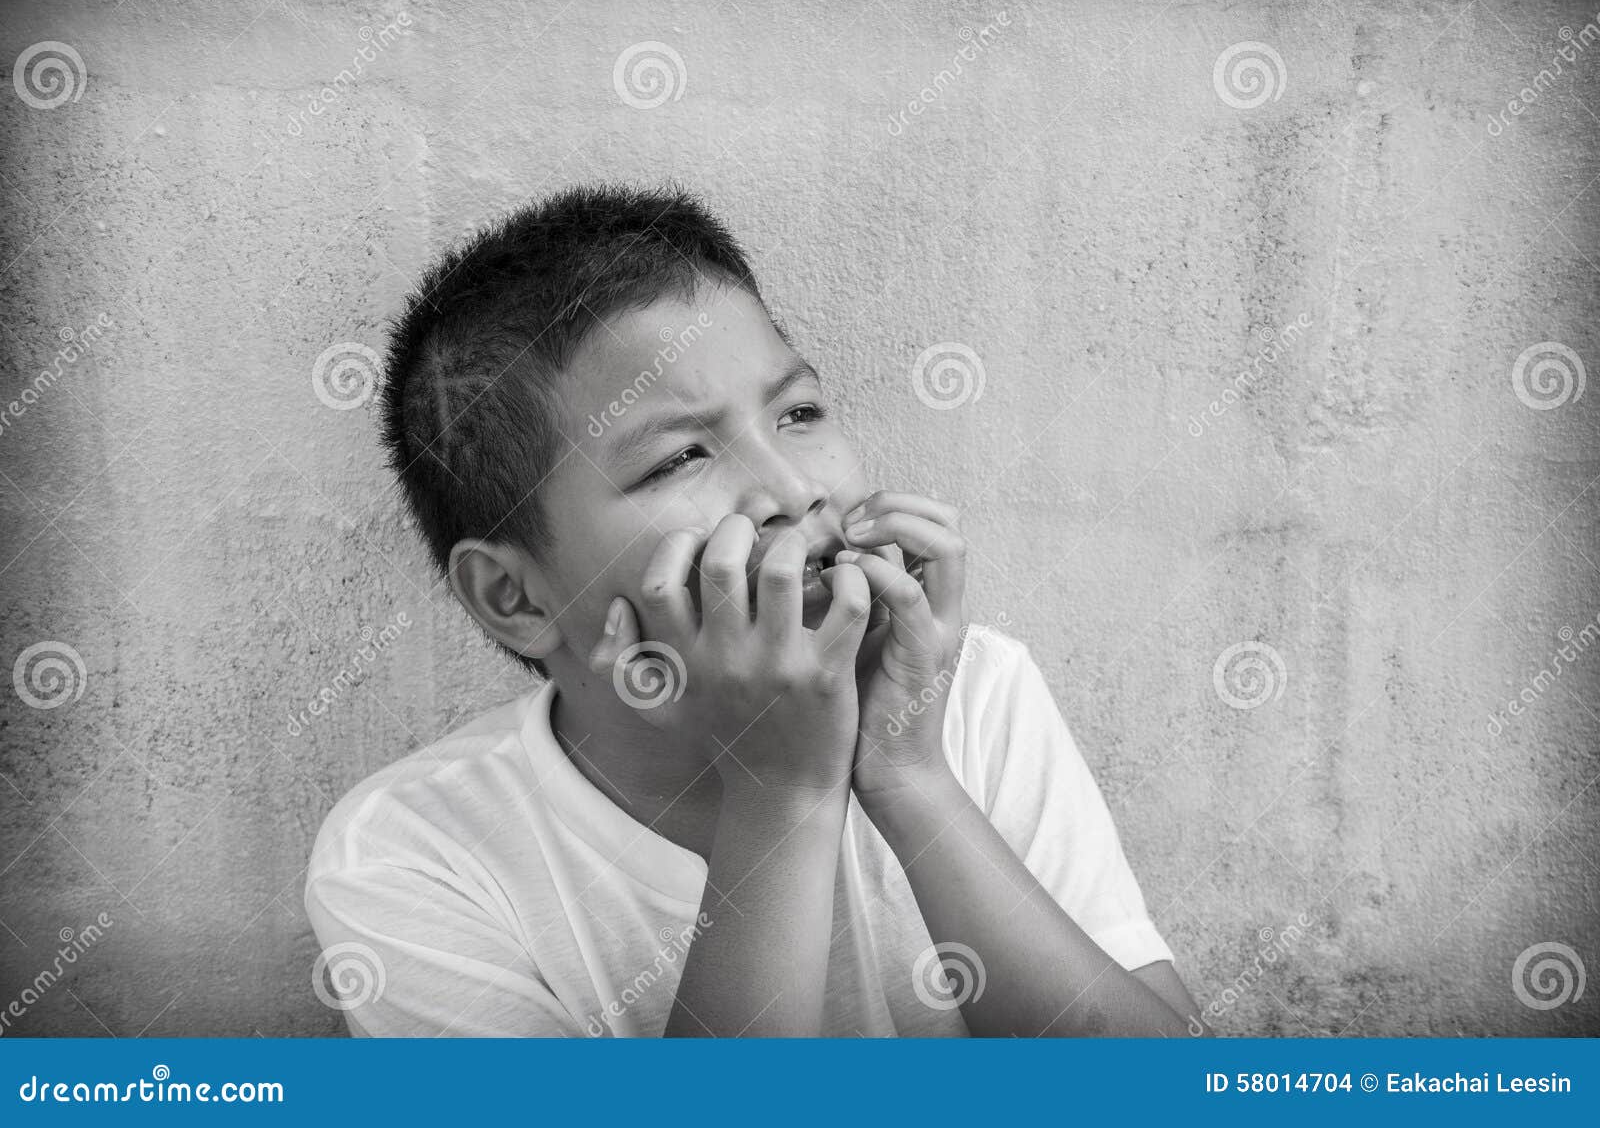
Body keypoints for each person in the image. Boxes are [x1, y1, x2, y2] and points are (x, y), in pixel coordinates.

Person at [304, 182, 1204, 1037]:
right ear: (517, 595)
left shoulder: (968, 694)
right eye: (679, 459)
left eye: (800, 411)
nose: (790, 488)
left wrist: (909, 776)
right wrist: (778, 796)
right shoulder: (413, 855)